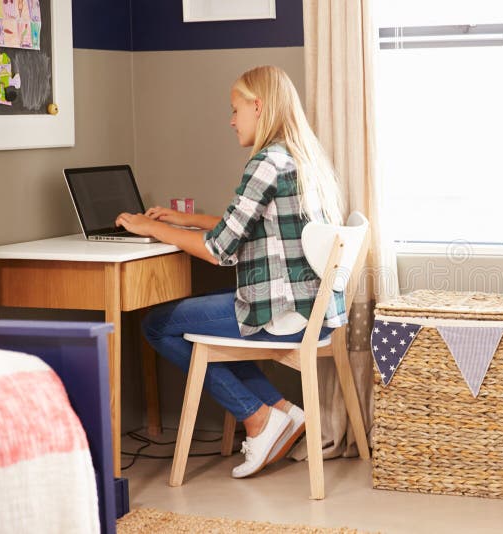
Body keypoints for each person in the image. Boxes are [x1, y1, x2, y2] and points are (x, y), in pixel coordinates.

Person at [115, 65, 347, 479]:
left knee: (158, 326)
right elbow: (247, 225)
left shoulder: (266, 162)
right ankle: (278, 411)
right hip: (316, 309)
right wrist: (186, 221)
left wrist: (152, 227)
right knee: (212, 334)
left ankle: (257, 416)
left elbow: (220, 250)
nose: (231, 119)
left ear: (258, 106)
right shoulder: (300, 156)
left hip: (283, 312)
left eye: (235, 109)